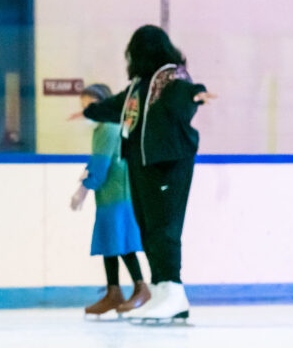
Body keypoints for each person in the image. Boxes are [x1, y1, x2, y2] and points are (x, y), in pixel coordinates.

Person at [78, 25, 214, 324]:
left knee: (165, 229)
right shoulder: (139, 86)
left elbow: (185, 94)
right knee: (149, 230)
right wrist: (91, 111)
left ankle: (174, 291)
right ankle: (162, 291)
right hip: (141, 163)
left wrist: (197, 93)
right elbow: (118, 107)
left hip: (168, 162)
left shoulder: (172, 77)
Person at [69, 83, 148, 317]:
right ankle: (114, 291)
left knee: (120, 241)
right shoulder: (109, 126)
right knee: (110, 242)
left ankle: (140, 287)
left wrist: (83, 188)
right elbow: (98, 161)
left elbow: (101, 164)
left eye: (91, 105)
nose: (87, 111)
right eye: (83, 106)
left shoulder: (107, 127)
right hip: (111, 194)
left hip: (116, 195)